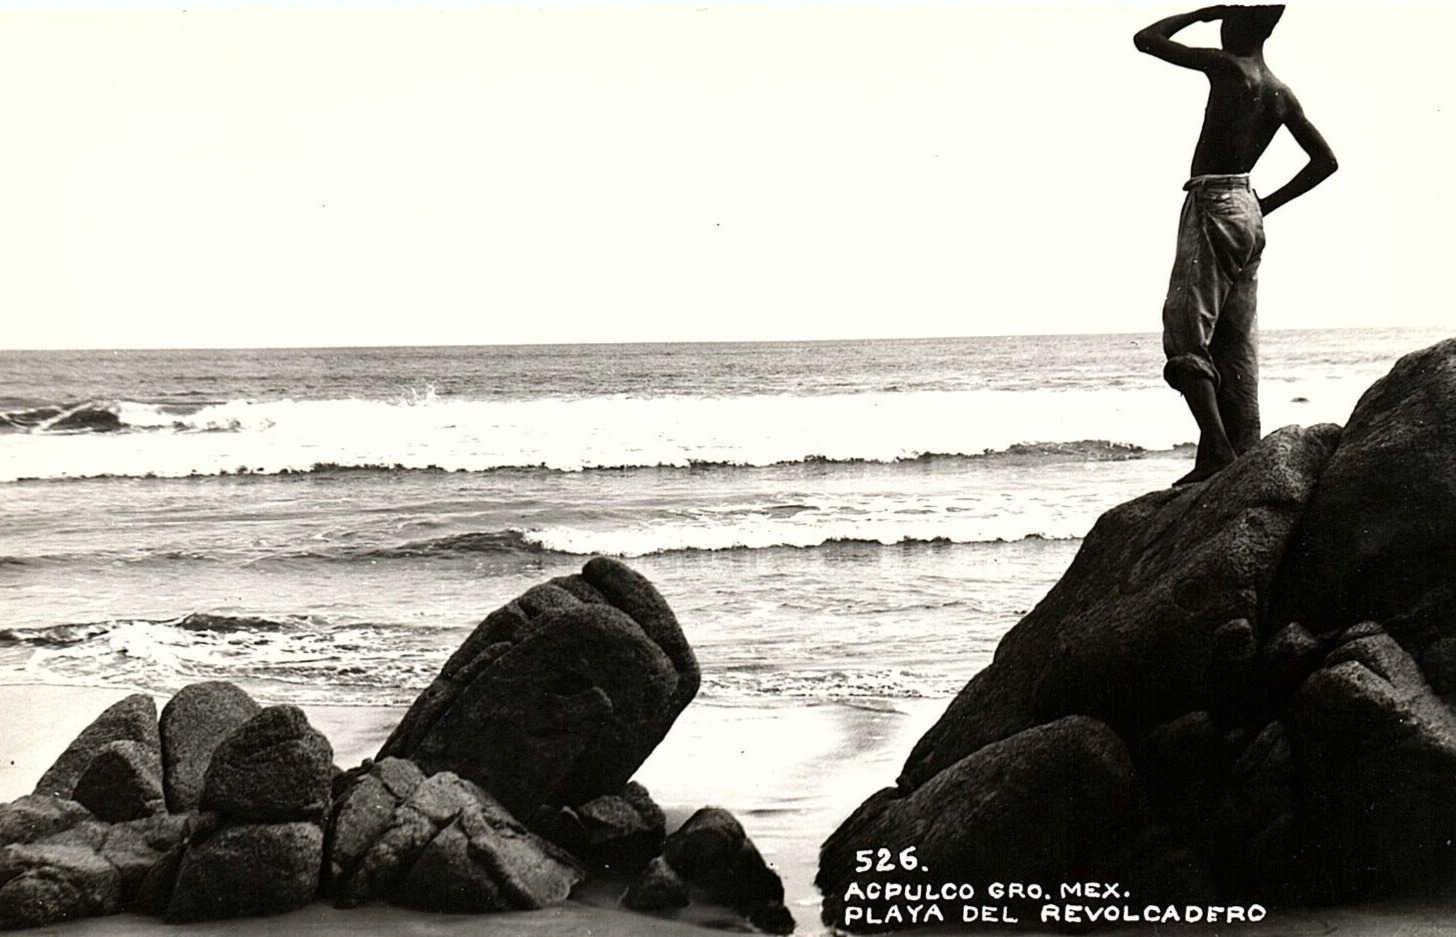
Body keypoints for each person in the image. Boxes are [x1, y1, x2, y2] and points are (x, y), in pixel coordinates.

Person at [1134, 5, 1337, 485]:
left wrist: (1204, 11)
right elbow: (1324, 161)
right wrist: (1264, 204)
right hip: (1247, 207)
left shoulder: (1228, 67)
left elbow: (1147, 38)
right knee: (1235, 342)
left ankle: (1217, 455)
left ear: (1237, 28)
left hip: (1213, 202)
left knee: (1186, 329)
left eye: (1228, 20)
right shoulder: (1279, 91)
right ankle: (1240, 450)